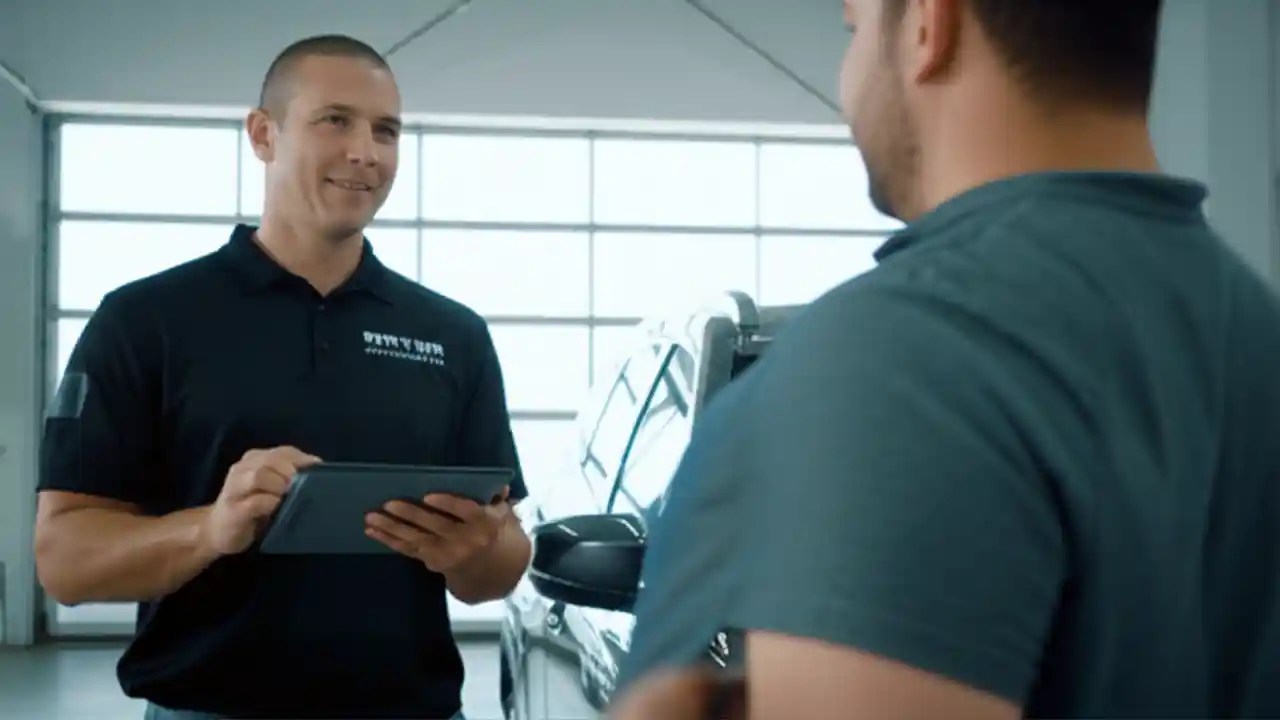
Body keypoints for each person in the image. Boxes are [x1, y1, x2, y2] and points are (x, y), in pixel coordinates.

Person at [610, 0, 1280, 718]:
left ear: (930, 23)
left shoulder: (892, 365)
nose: (847, 78)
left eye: (855, 29)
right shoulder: (1251, 327)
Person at [33, 35, 530, 720]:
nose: (367, 151)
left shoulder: (453, 335)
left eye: (386, 131)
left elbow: (497, 570)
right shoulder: (145, 320)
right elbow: (65, 561)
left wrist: (476, 551)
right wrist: (214, 528)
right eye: (336, 120)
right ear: (263, 135)